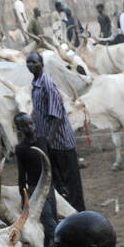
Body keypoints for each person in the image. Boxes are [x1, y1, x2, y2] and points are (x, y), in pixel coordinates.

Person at [28, 51, 85, 211]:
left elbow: (57, 115)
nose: (31, 65)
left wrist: (49, 140)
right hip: (48, 140)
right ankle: (67, 211)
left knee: (70, 179)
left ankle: (78, 212)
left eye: (34, 62)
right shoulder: (35, 83)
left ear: (42, 65)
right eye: (28, 63)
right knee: (58, 179)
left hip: (60, 141)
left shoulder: (47, 84)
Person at [14, 114, 59, 247]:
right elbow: (22, 175)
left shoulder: (43, 140)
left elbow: (53, 164)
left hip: (49, 187)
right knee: (49, 222)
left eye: (31, 123)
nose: (29, 127)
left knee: (53, 218)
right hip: (35, 190)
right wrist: (24, 198)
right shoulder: (20, 149)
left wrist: (60, 185)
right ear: (19, 129)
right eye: (25, 125)